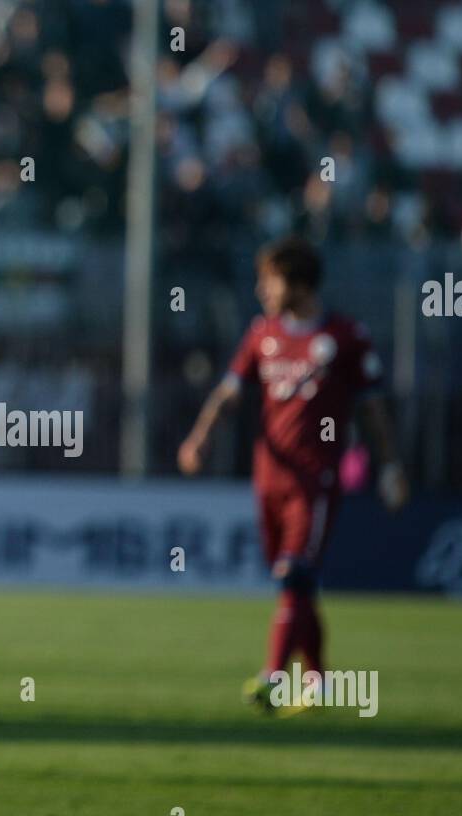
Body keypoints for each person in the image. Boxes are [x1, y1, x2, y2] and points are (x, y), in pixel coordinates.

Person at [178, 236, 407, 712]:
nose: (262, 290)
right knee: (296, 585)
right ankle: (319, 681)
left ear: (299, 284)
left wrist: (389, 467)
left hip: (316, 479)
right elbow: (229, 393)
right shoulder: (263, 334)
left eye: (271, 280)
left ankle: (274, 677)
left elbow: (373, 409)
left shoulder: (345, 337)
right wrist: (199, 437)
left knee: (294, 574)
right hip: (269, 478)